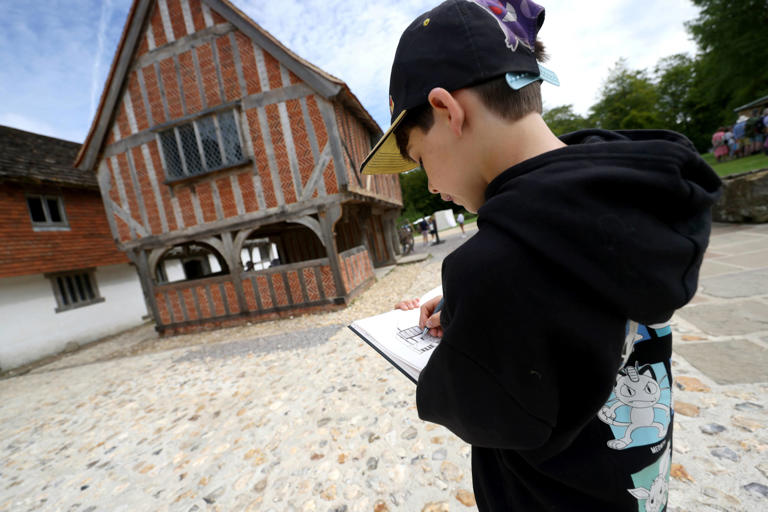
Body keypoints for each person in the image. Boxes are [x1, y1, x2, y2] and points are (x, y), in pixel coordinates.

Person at [364, 1, 722, 510]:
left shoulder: (492, 266)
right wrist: (466, 304)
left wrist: (467, 320)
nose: (435, 185)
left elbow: (478, 408)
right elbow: (565, 297)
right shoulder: (625, 202)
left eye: (421, 159)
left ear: (447, 109)